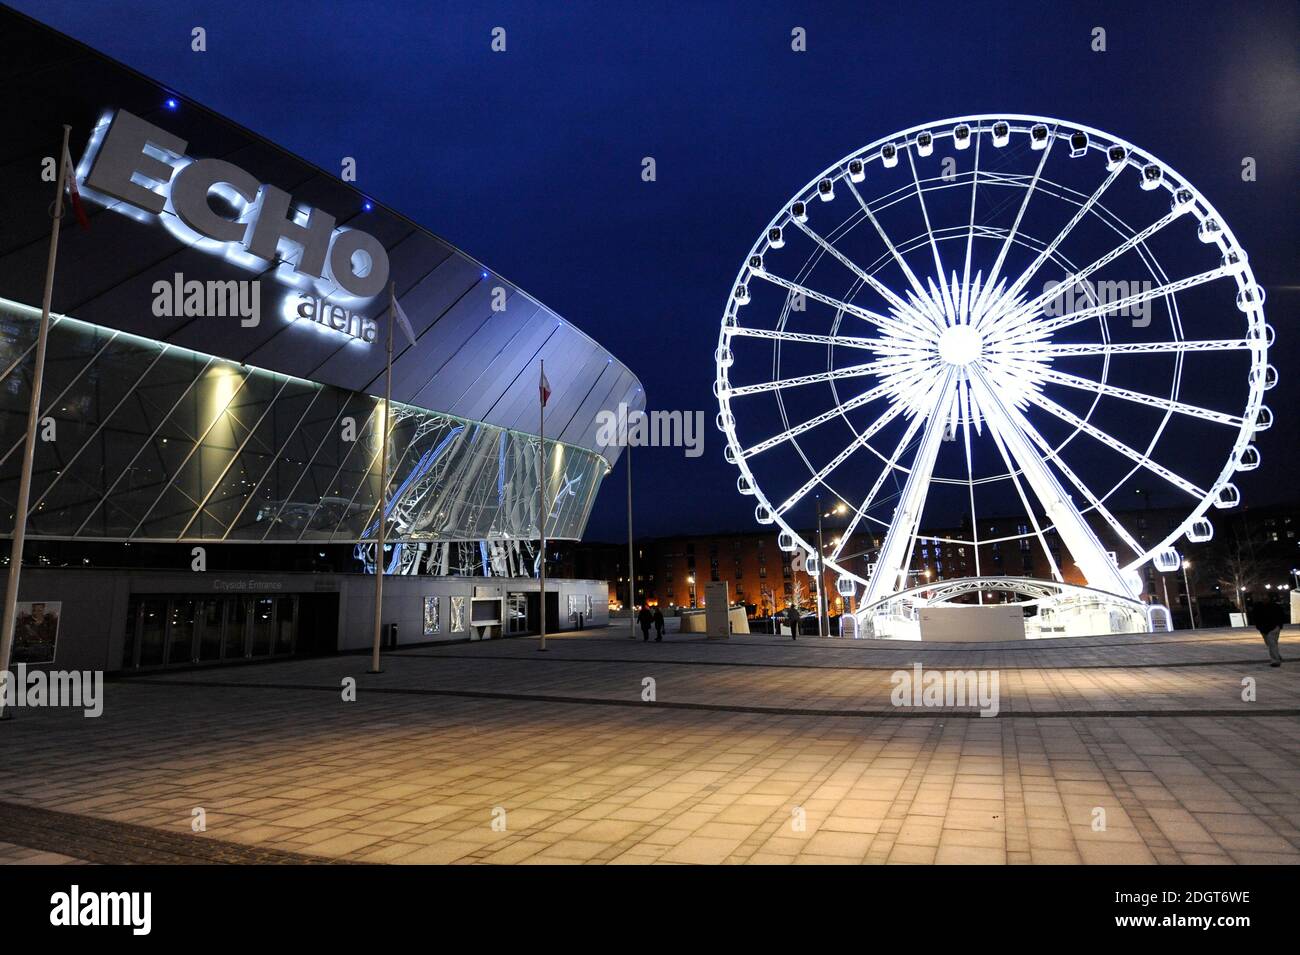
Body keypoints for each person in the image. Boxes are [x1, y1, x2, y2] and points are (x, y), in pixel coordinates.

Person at [1252, 599, 1286, 667]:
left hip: (1274, 627)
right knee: (1270, 643)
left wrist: (1279, 625)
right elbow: (1254, 616)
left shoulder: (1275, 606)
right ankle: (1277, 656)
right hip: (1264, 628)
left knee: (1272, 643)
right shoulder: (1258, 606)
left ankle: (1275, 661)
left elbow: (1281, 615)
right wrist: (1258, 626)